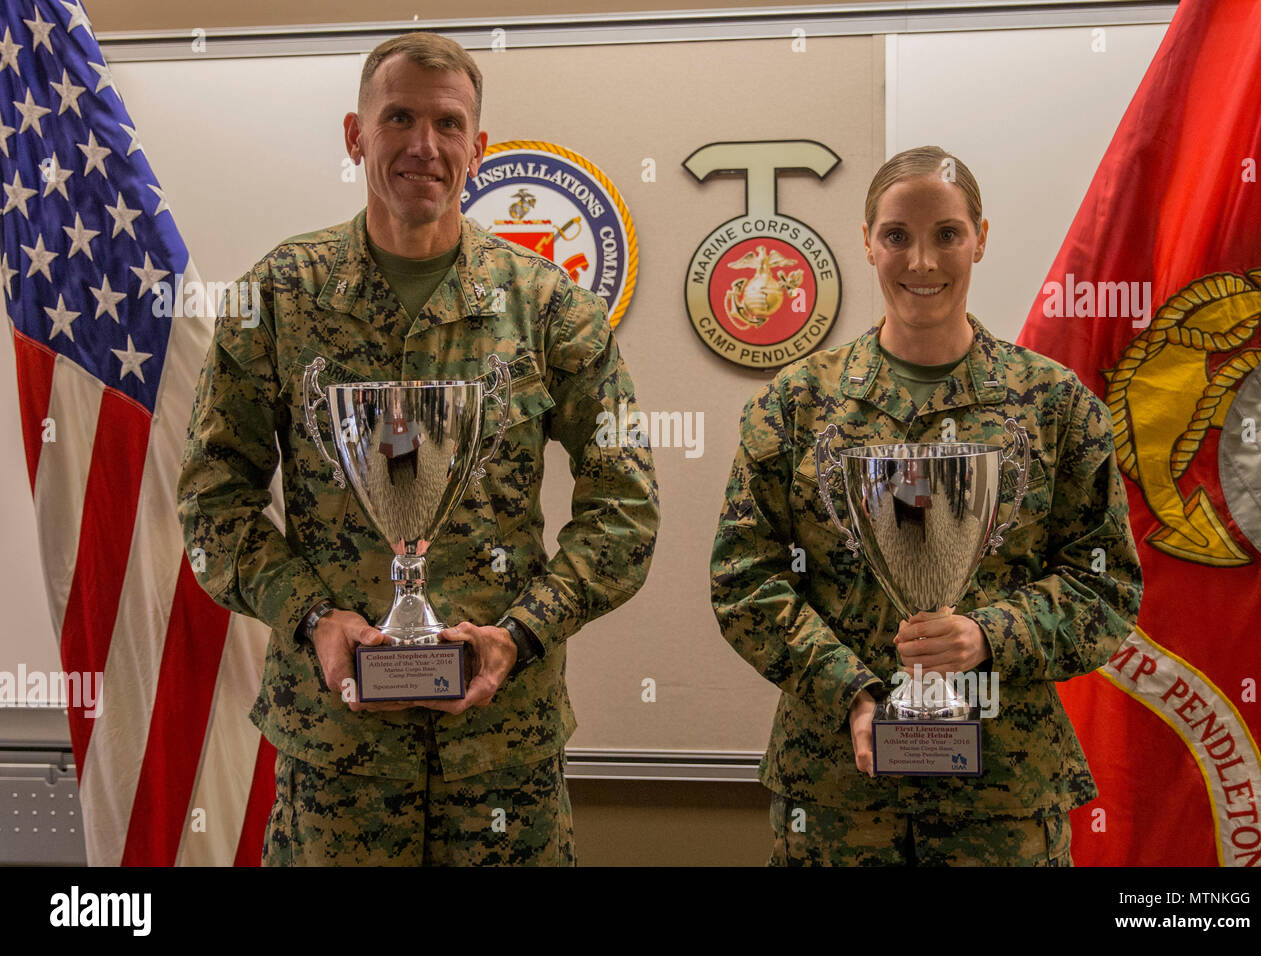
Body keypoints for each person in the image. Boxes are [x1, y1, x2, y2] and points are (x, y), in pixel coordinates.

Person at [178, 33, 659, 866]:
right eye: (397, 117)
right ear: (354, 134)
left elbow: (626, 509)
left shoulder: (550, 309)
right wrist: (313, 618)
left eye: (448, 123)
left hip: (502, 752)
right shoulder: (278, 298)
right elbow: (212, 506)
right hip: (336, 756)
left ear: (478, 145)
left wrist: (521, 632)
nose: (423, 145)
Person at [709, 145, 1142, 866]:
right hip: (838, 793)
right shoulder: (796, 406)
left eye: (946, 233)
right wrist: (852, 691)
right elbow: (743, 581)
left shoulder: (1056, 406)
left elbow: (1106, 585)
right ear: (867, 241)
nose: (920, 261)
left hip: (1002, 797)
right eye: (896, 236)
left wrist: (987, 636)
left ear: (980, 237)